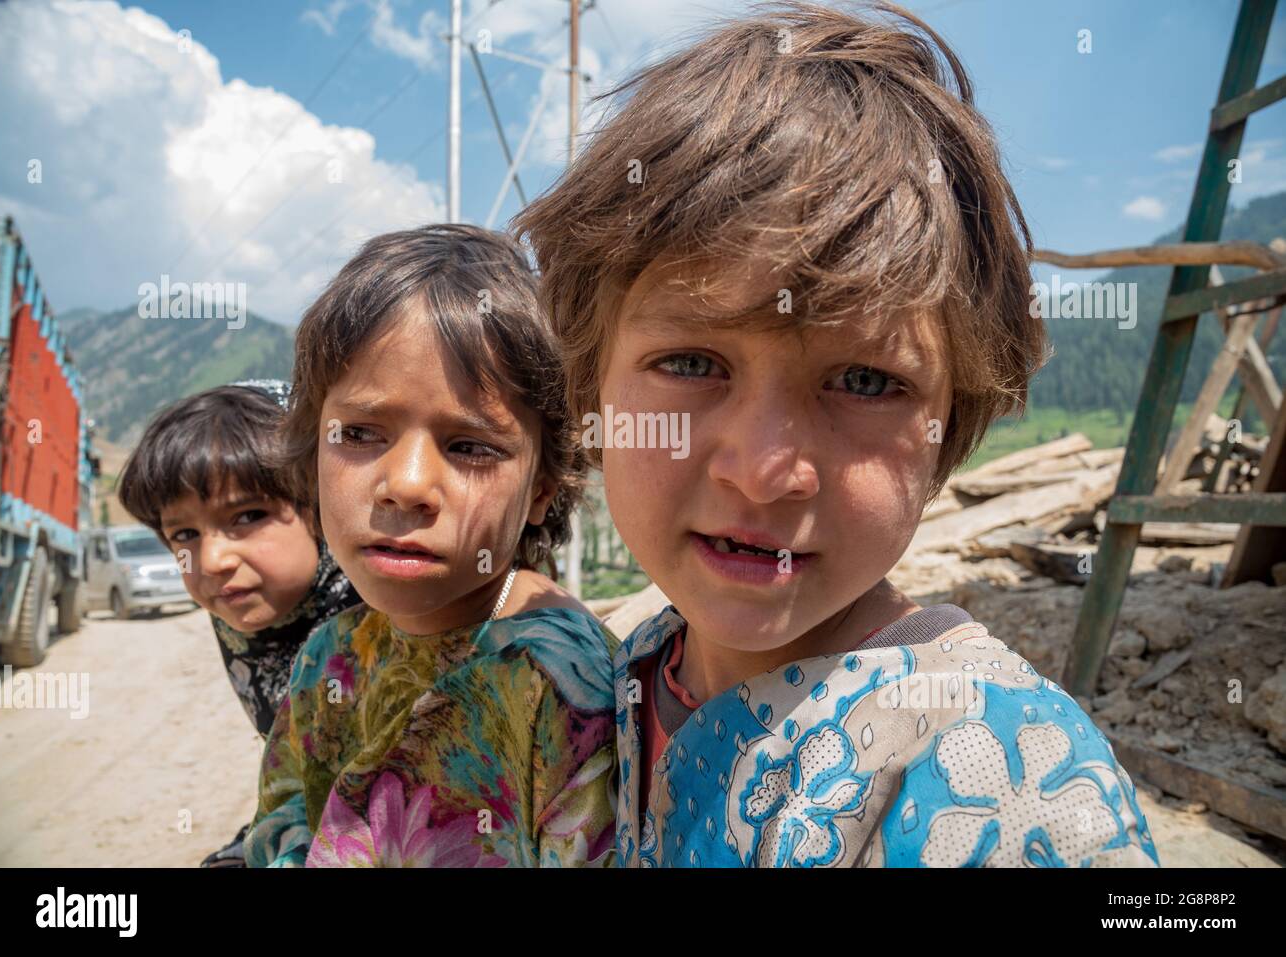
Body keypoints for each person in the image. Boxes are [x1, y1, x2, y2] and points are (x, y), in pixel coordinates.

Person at [512, 1, 1159, 867]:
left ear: (947, 428)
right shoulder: (628, 677)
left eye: (863, 381)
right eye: (694, 363)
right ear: (594, 389)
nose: (764, 470)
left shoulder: (996, 773)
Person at [243, 224, 618, 867]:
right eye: (359, 434)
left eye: (470, 446)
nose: (407, 485)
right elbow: (280, 829)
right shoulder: (328, 658)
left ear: (541, 489)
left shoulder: (563, 688)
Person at [118, 380, 360, 866]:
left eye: (248, 516)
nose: (212, 560)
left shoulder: (395, 624)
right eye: (183, 533)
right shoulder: (253, 621)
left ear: (317, 508)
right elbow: (307, 786)